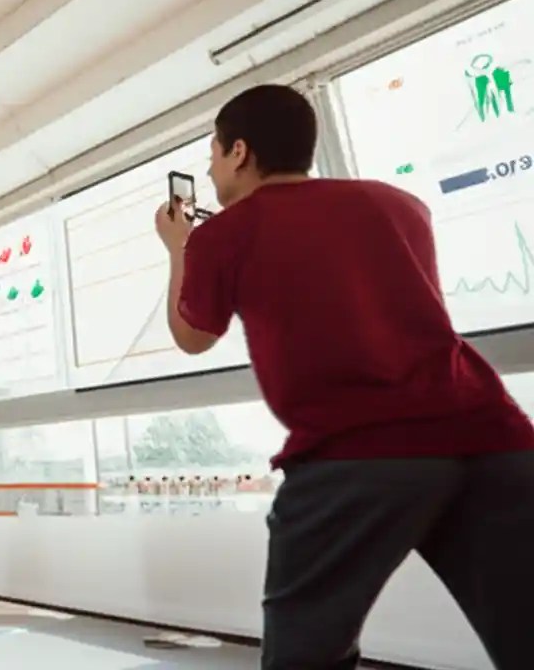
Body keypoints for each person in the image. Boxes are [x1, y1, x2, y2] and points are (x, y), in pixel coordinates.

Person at [153, 83, 534, 670]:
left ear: (239, 152)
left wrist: (179, 247)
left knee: (305, 655)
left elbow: (192, 337)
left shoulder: (223, 234)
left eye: (212, 154)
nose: (210, 170)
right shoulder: (401, 205)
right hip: (494, 439)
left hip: (356, 455)